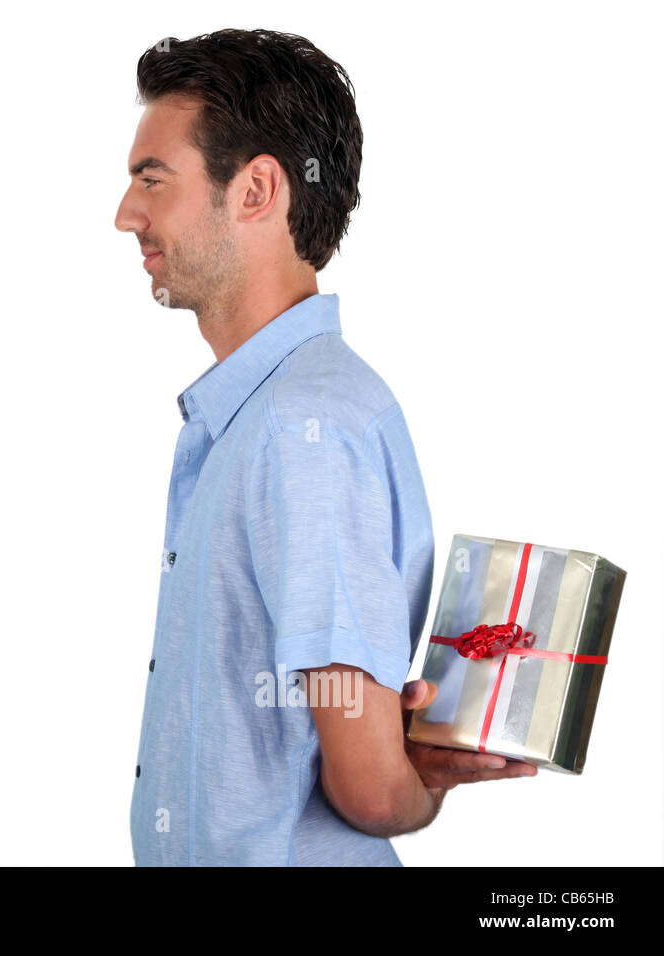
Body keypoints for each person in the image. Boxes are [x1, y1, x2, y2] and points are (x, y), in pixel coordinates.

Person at [116, 28, 536, 866]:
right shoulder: (268, 416)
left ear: (258, 189)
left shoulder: (297, 430)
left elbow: (371, 792)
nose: (126, 214)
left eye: (151, 180)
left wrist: (419, 783)